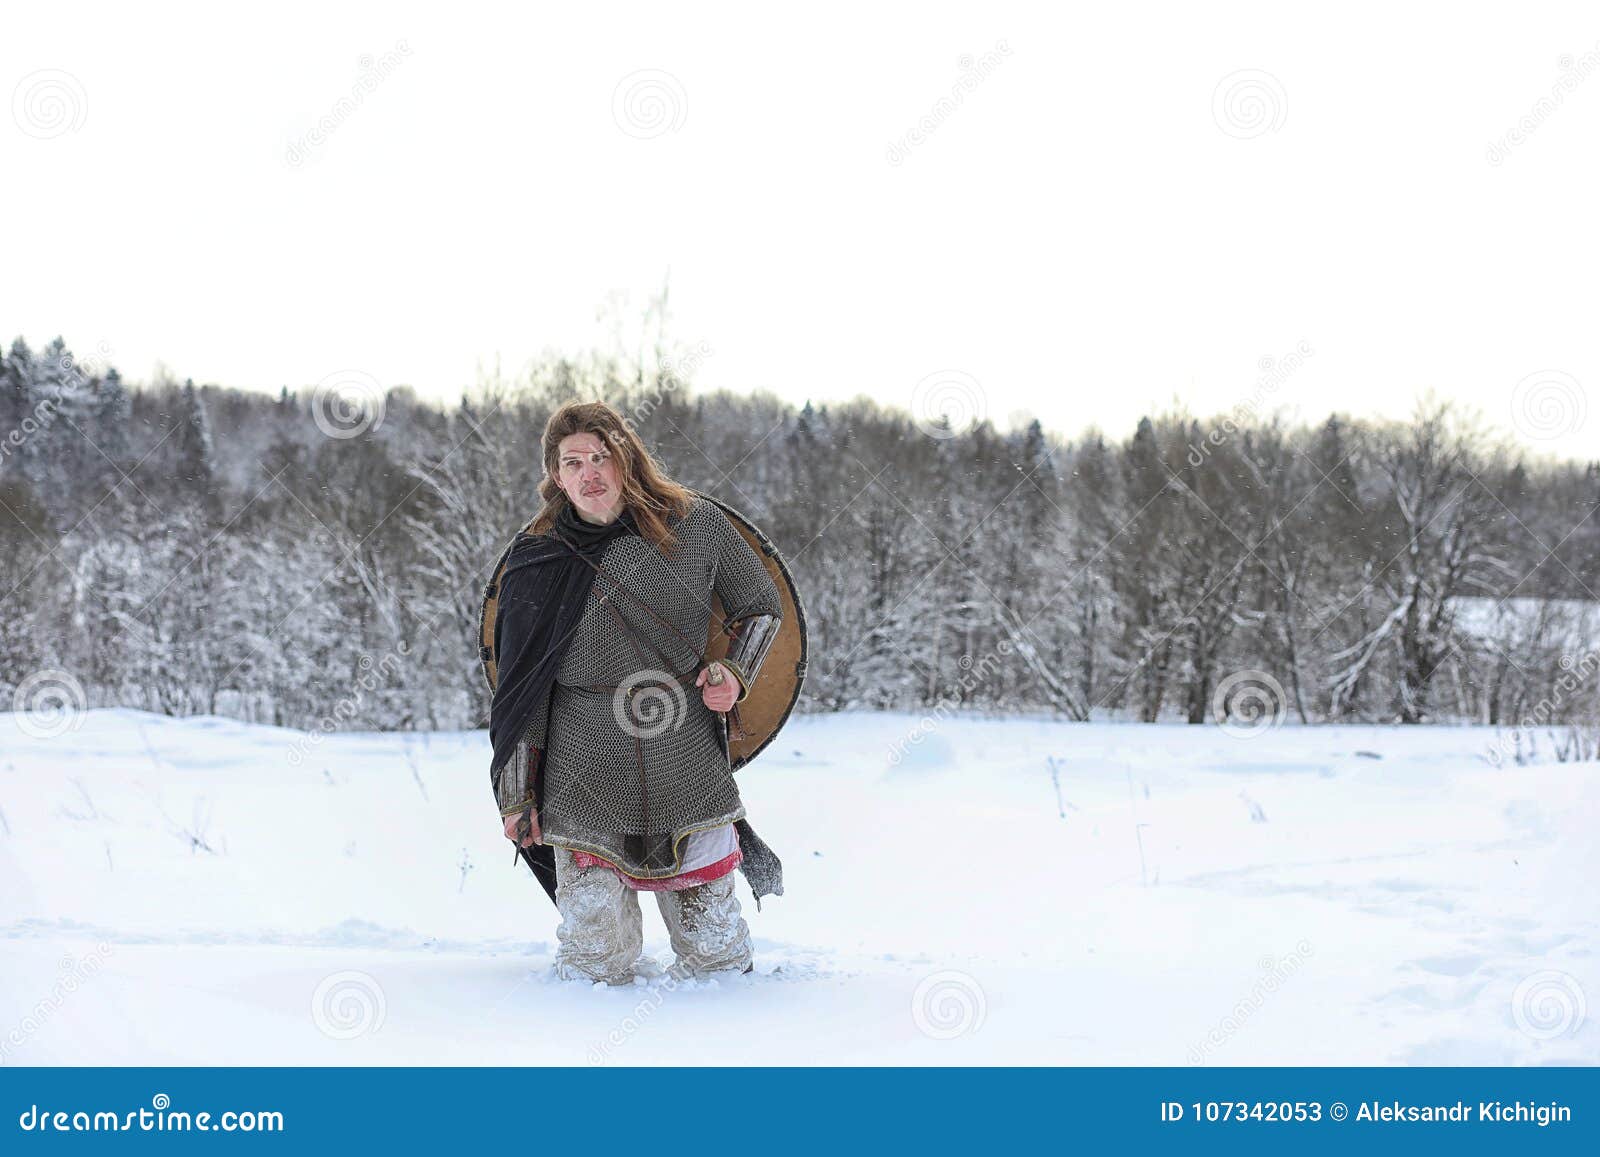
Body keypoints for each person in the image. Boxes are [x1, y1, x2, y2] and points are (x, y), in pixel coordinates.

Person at [488, 401, 785, 985]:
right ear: (555, 474)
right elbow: (524, 690)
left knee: (716, 956)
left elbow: (761, 609)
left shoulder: (695, 524)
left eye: (601, 456)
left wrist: (733, 672)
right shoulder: (537, 560)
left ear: (628, 456)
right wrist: (517, 795)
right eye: (572, 461)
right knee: (594, 961)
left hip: (685, 752)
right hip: (583, 761)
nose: (588, 472)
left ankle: (731, 1041)